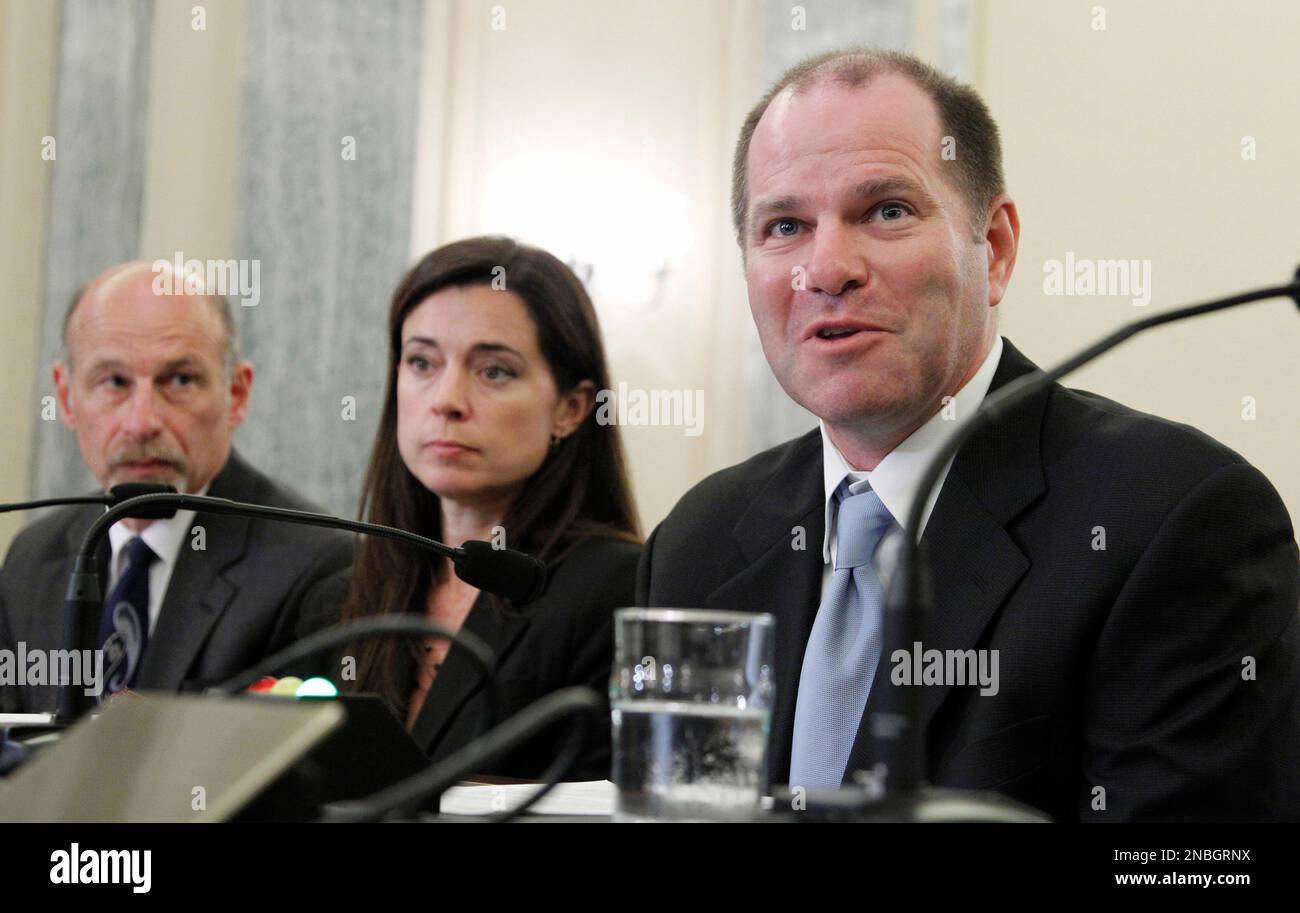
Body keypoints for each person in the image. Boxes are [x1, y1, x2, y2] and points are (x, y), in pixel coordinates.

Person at [636, 48, 1300, 822]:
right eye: (785, 225)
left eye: (886, 210)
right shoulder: (699, 538)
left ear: (997, 248)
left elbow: (1196, 871)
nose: (827, 268)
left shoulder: (1172, 516)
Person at [300, 236, 641, 781]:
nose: (447, 400)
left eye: (494, 371)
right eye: (422, 362)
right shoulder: (339, 596)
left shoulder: (615, 590)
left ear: (571, 409)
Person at [0, 261, 351, 715]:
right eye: (114, 383)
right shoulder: (34, 556)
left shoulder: (315, 566)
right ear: (66, 398)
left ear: (236, 394)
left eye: (180, 381)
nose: (142, 422)